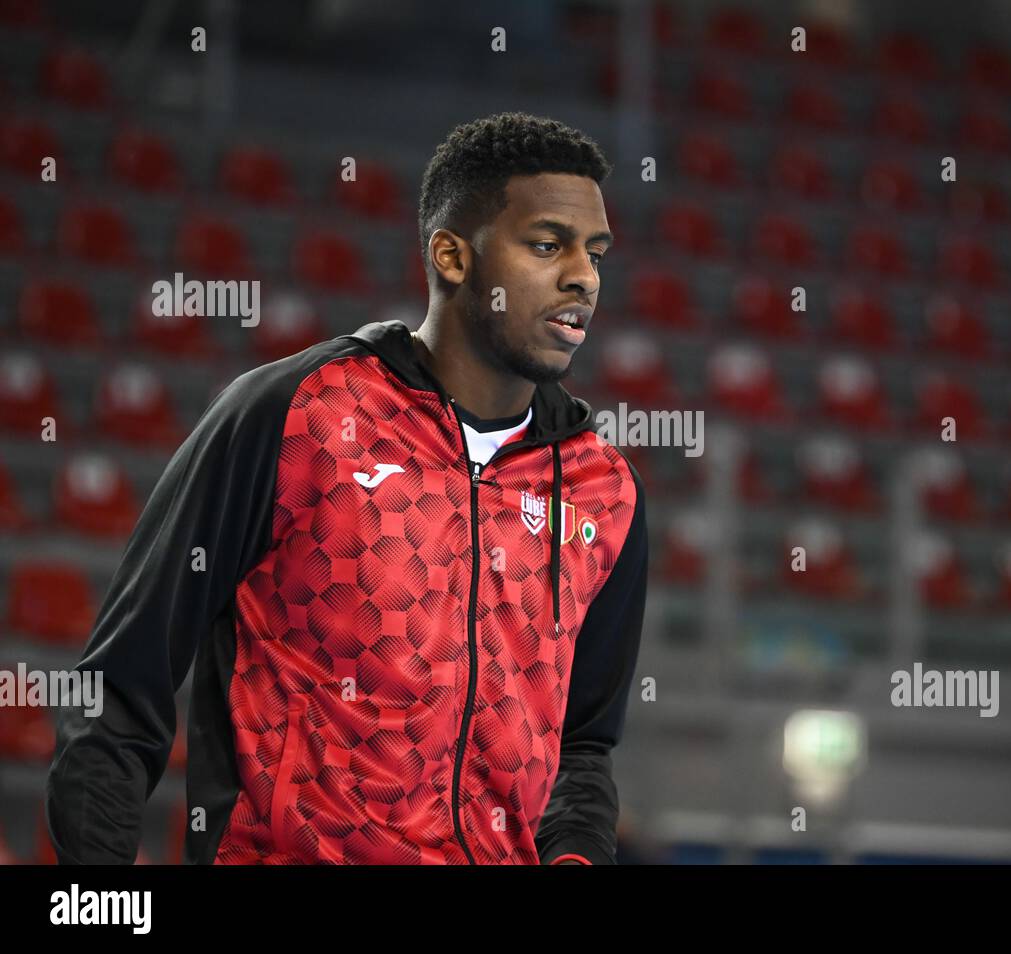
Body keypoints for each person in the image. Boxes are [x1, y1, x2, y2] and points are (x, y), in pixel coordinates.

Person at [45, 111, 648, 865]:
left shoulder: (603, 491)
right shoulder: (294, 415)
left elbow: (583, 749)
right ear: (453, 257)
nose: (583, 277)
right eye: (547, 244)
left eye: (594, 252)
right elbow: (118, 689)